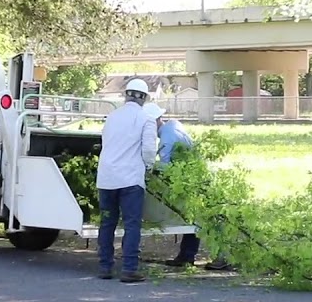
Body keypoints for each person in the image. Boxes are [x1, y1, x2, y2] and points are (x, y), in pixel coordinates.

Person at [143, 102, 229, 271]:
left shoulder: (166, 139)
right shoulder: (174, 125)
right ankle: (186, 256)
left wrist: (149, 169)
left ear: (153, 122)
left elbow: (166, 167)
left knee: (204, 219)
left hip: (194, 179)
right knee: (194, 218)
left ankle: (221, 256)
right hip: (197, 175)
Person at [95, 78, 158, 283]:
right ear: (145, 98)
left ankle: (105, 266)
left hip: (106, 177)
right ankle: (129, 269)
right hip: (130, 179)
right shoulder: (146, 118)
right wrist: (149, 167)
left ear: (126, 95)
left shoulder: (111, 117)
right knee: (131, 224)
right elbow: (149, 150)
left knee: (107, 223)